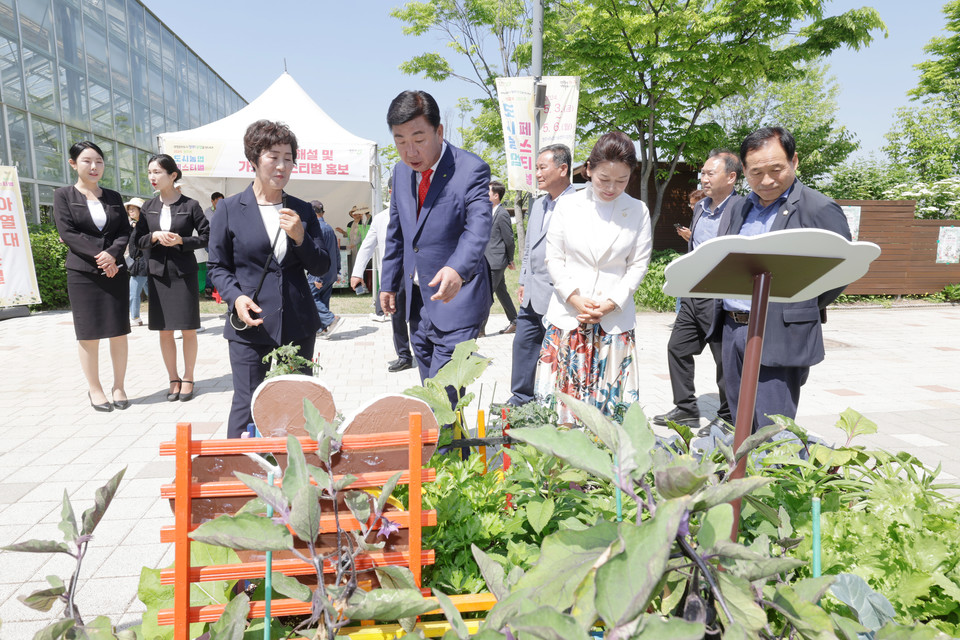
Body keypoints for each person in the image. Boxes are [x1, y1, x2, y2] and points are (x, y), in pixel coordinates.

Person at [713, 126, 851, 432]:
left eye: (776, 169)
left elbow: (840, 270)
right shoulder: (740, 207)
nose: (766, 181)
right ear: (744, 171)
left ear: (794, 161)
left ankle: (781, 466)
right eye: (756, 172)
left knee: (773, 430)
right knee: (740, 425)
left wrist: (795, 302)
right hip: (733, 328)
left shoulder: (818, 208)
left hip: (778, 331)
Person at [208, 119, 330, 438]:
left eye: (288, 158)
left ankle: (297, 464)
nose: (282, 166)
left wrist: (301, 237)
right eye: (273, 157)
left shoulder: (302, 210)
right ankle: (241, 464)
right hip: (251, 321)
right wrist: (236, 297)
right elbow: (217, 267)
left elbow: (321, 266)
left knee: (300, 403)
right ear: (254, 158)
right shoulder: (229, 209)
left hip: (298, 320)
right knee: (247, 402)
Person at [535, 131, 652, 424]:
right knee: (562, 414)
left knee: (609, 416)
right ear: (588, 169)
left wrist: (610, 303)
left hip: (614, 323)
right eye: (604, 179)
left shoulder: (637, 210)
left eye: (621, 180)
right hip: (568, 318)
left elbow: (638, 265)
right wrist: (575, 298)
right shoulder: (567, 206)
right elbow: (554, 258)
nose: (612, 188)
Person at [379, 90, 492, 384]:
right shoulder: (401, 173)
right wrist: (388, 283)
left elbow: (478, 227)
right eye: (400, 141)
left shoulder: (470, 169)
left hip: (457, 300)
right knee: (430, 387)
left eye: (419, 140)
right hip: (417, 302)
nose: (410, 152)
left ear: (439, 132)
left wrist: (457, 268)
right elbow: (397, 233)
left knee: (446, 391)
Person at [653, 150, 742, 434]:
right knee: (677, 348)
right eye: (702, 173)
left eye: (710, 173)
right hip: (694, 293)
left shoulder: (742, 208)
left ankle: (728, 418)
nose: (703, 178)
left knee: (724, 360)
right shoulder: (701, 207)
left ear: (731, 177)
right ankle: (686, 409)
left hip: (723, 296)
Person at [53, 141, 131, 412]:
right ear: (73, 164)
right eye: (87, 161)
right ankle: (95, 388)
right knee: (88, 333)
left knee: (118, 331)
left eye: (99, 161)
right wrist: (101, 257)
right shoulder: (63, 195)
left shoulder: (113, 196)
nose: (94, 166)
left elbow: (124, 231)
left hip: (115, 271)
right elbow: (68, 233)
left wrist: (113, 255)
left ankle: (119, 386)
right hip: (83, 272)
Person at [133, 154, 210, 402]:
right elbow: (136, 241)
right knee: (164, 331)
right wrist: (154, 236)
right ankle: (173, 378)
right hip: (158, 275)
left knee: (188, 329)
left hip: (184, 274)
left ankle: (188, 377)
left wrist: (182, 241)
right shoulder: (148, 207)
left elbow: (207, 236)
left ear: (173, 175)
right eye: (149, 172)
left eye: (157, 172)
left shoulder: (191, 205)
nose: (152, 177)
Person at [507, 144, 575, 407]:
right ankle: (520, 397)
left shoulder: (578, 205)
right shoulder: (538, 204)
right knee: (523, 344)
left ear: (563, 169)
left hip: (559, 295)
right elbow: (528, 248)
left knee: (558, 351)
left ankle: (557, 402)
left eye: (542, 168)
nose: (537, 174)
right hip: (532, 292)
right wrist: (524, 280)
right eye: (536, 168)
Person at [350, 180, 414, 372]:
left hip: (417, 275)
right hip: (393, 275)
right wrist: (357, 273)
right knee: (396, 316)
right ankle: (404, 355)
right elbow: (367, 246)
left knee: (420, 316)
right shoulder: (380, 218)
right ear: (391, 191)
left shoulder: (419, 213)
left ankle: (426, 351)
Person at [480, 180, 517, 337]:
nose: (485, 194)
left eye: (488, 192)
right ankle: (515, 321)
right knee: (501, 292)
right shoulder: (489, 211)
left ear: (496, 195)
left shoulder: (502, 214)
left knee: (486, 295)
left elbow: (509, 239)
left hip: (496, 261)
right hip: (488, 260)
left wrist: (510, 259)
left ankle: (479, 329)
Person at [307, 200, 344, 339]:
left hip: (319, 272)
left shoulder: (316, 229)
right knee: (322, 300)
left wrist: (317, 276)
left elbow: (316, 253)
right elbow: (336, 251)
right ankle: (322, 329)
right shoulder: (328, 227)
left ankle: (331, 319)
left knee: (311, 297)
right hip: (330, 272)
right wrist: (337, 270)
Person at [125, 197, 147, 327]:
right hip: (139, 263)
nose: (130, 211)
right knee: (152, 292)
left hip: (142, 264)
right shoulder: (134, 225)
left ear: (140, 210)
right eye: (129, 209)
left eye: (133, 209)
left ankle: (135, 317)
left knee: (133, 292)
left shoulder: (144, 226)